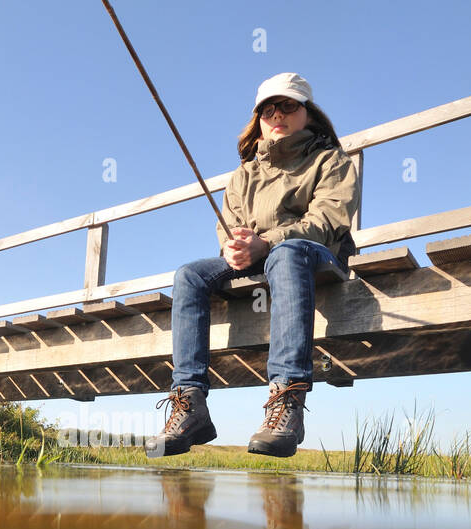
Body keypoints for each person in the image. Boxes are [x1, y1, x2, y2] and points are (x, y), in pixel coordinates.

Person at [145, 72, 360, 459]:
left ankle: (287, 398)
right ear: (258, 118)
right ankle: (190, 404)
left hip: (314, 253)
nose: (278, 114)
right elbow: (229, 225)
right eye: (268, 109)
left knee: (287, 252)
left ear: (307, 112)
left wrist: (267, 242)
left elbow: (329, 220)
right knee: (189, 274)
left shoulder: (331, 160)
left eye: (288, 105)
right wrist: (234, 248)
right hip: (262, 259)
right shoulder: (244, 174)